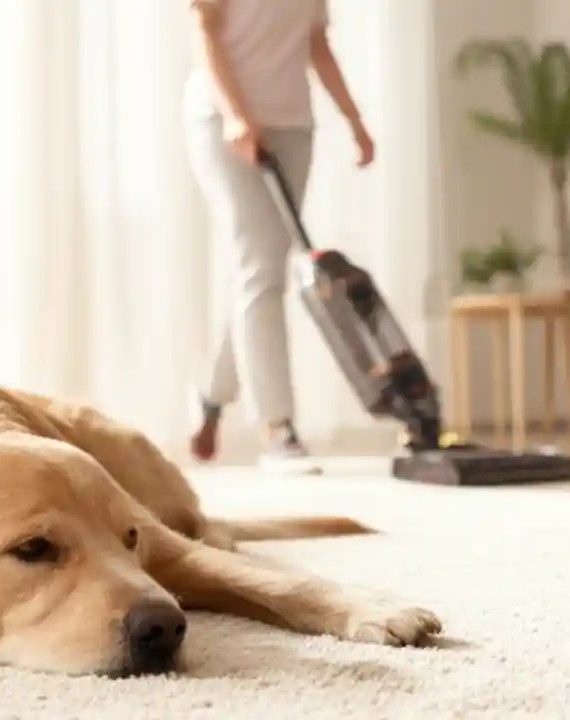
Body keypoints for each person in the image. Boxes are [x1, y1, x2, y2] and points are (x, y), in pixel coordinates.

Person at [183, 0, 373, 473]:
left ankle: (211, 392)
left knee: (263, 270)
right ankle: (277, 429)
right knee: (261, 271)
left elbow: (316, 45)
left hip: (292, 127)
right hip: (223, 123)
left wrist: (355, 122)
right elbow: (204, 29)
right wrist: (235, 114)